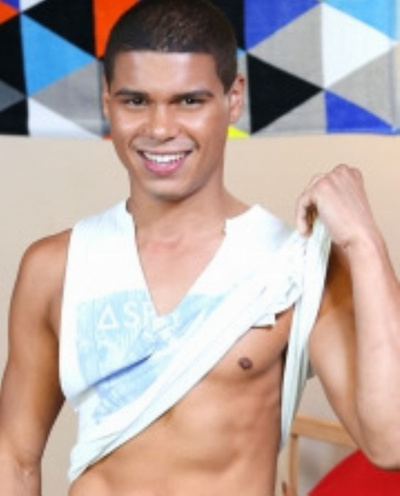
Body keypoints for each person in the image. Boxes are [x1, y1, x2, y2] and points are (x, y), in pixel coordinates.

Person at [1, 0, 400, 495]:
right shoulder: (54, 268)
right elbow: (13, 457)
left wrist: (364, 242)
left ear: (233, 99)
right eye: (135, 101)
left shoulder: (295, 267)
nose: (160, 128)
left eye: (189, 101)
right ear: (107, 102)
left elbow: (391, 442)